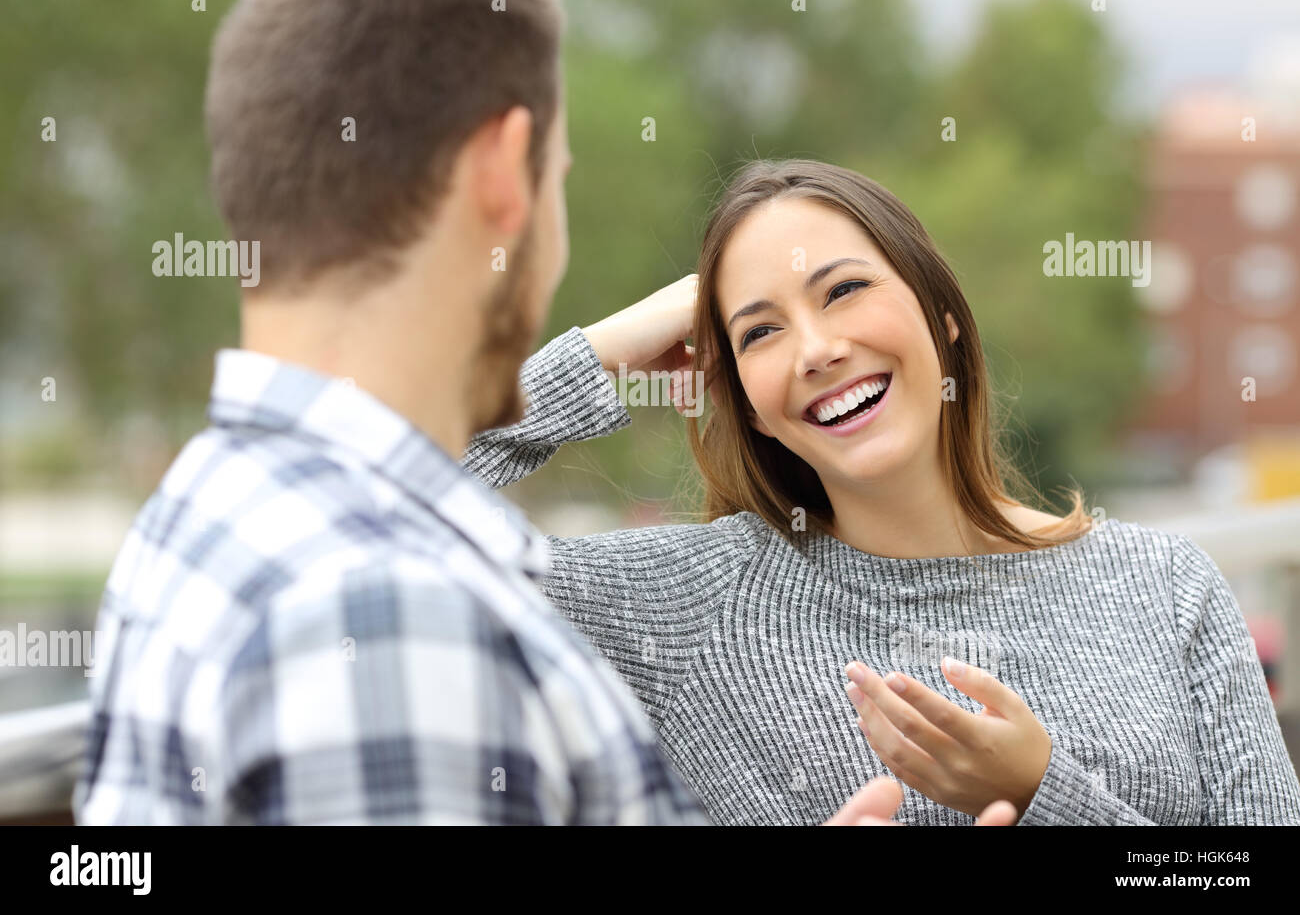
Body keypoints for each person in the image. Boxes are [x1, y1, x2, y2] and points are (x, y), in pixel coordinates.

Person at [73, 0, 1013, 826]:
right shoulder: (389, 616)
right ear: (502, 175)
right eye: (559, 179)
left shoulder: (209, 513)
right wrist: (589, 363)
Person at [462, 158, 1300, 825]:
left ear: (943, 318)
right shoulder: (680, 608)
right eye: (759, 331)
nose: (817, 347)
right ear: (745, 404)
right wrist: (601, 353)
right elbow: (356, 508)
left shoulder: (1163, 587)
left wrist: (1045, 793)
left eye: (845, 290)